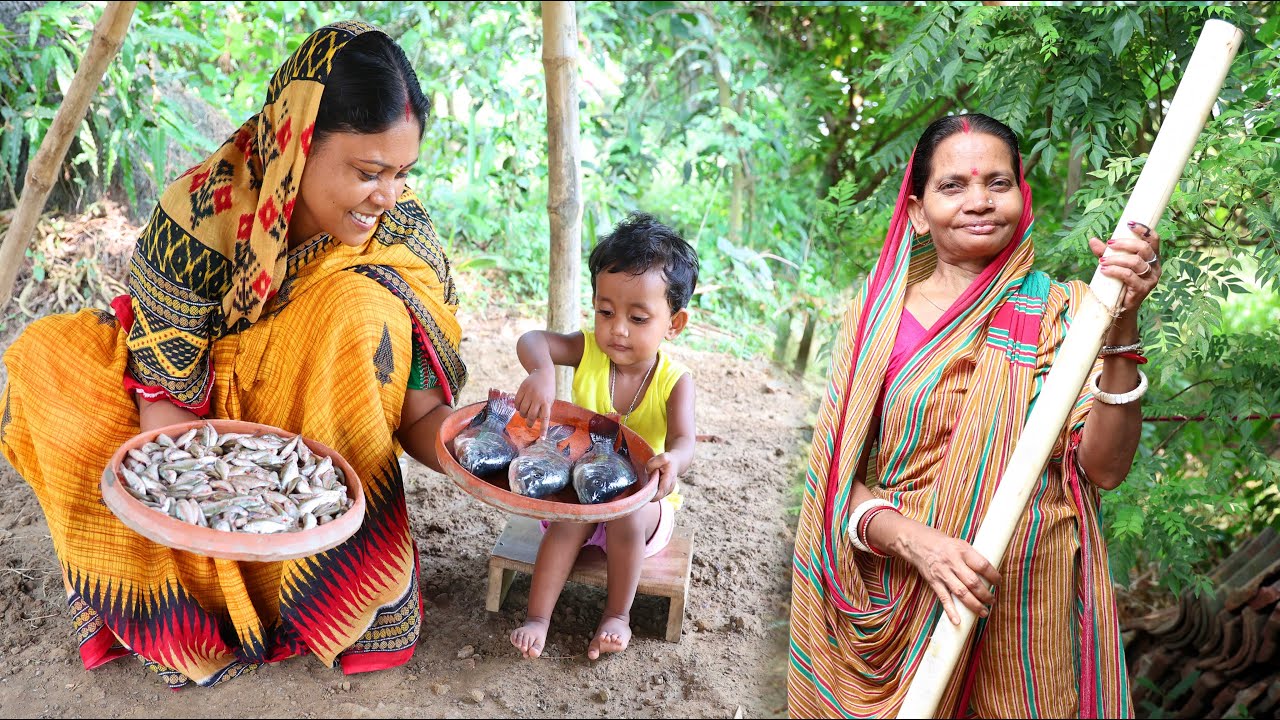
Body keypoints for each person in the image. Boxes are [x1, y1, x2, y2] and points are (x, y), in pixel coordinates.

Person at [0, 21, 467, 687]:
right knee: (45, 360)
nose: (386, 197)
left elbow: (424, 414)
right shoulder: (197, 215)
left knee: (358, 309)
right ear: (297, 144)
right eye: (368, 173)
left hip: (308, 429)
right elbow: (164, 419)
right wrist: (231, 502)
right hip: (195, 432)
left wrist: (493, 456)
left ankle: (331, 588)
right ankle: (194, 608)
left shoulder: (399, 234)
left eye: (400, 173)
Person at [788, 114, 1161, 717]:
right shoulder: (874, 319)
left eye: (998, 181)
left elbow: (1105, 468)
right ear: (915, 211)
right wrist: (918, 543)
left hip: (1028, 604)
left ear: (1022, 195)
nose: (980, 201)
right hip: (905, 600)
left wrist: (1120, 320)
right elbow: (833, 482)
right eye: (953, 185)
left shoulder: (1068, 311)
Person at [507, 213, 699, 660]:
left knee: (627, 514)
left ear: (674, 323)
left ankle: (617, 614)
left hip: (643, 505)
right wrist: (541, 371)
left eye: (638, 317)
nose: (617, 329)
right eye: (605, 311)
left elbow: (685, 441)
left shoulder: (674, 381)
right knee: (570, 516)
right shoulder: (588, 350)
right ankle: (538, 616)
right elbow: (533, 338)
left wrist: (672, 460)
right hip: (583, 491)